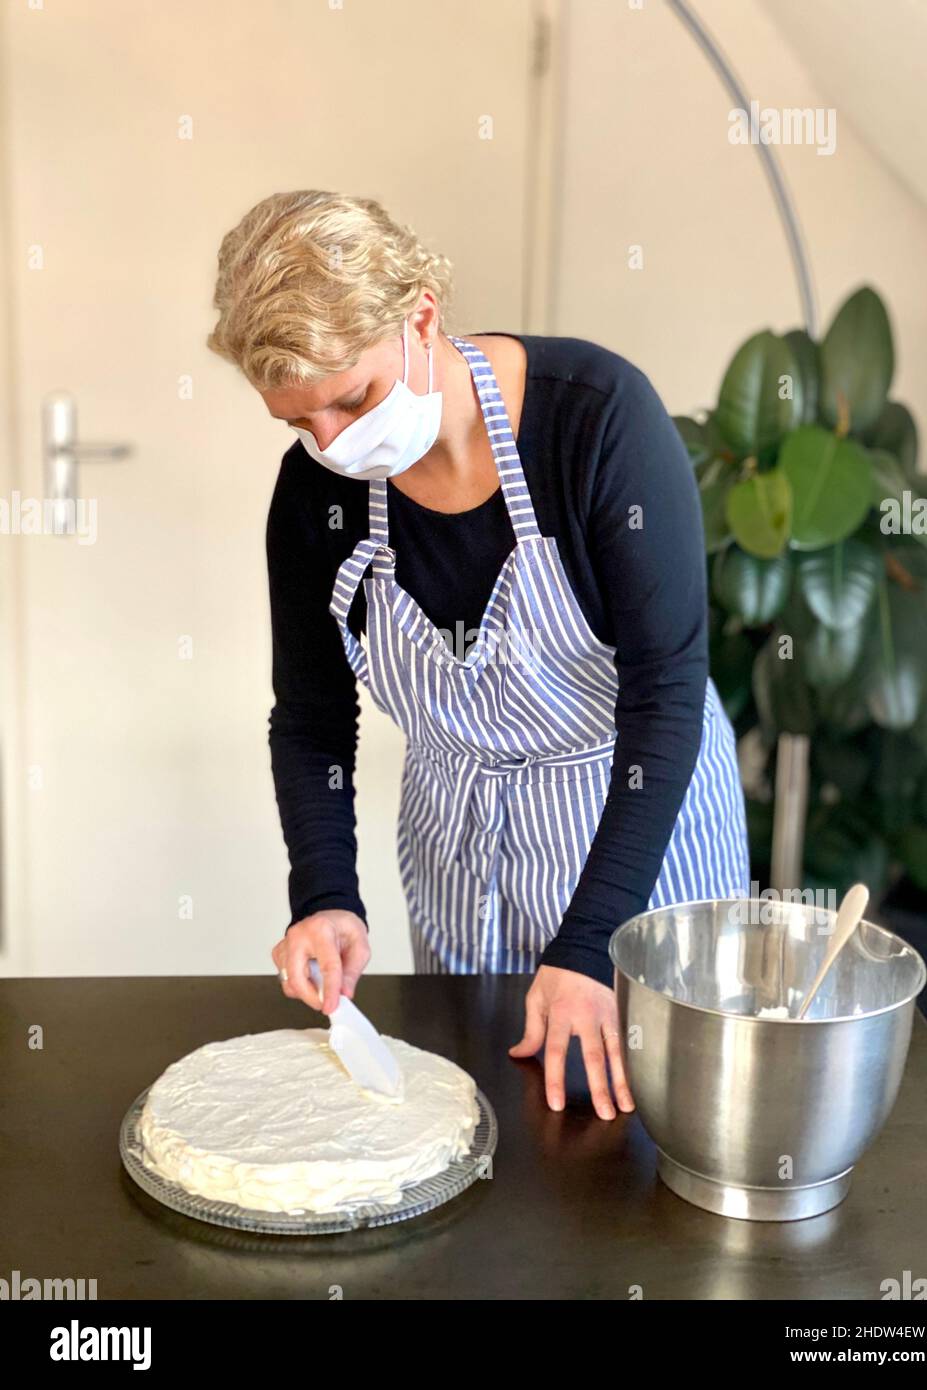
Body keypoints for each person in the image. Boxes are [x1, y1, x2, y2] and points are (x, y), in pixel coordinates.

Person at [207, 189, 750, 1120]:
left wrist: (589, 947)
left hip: (637, 833)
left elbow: (666, 694)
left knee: (647, 1136)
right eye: (298, 424)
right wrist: (326, 893)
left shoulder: (594, 419)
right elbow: (310, 717)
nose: (332, 446)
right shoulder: (317, 496)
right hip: (464, 848)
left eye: (352, 399)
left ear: (422, 315)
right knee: (478, 1123)